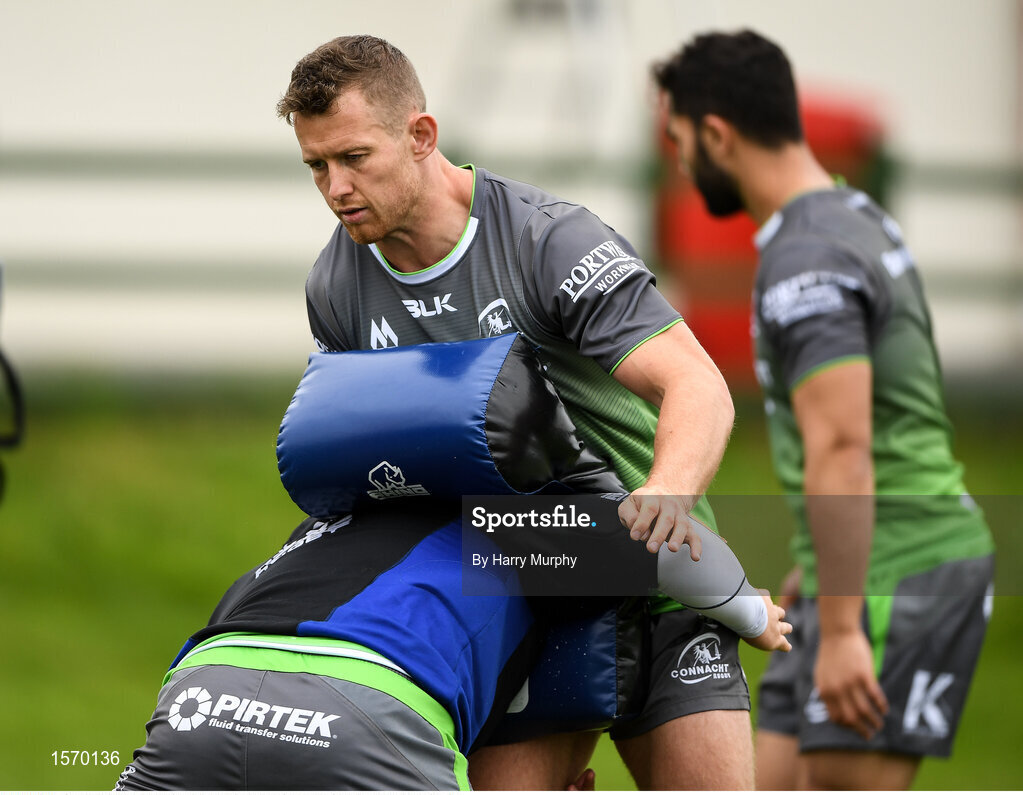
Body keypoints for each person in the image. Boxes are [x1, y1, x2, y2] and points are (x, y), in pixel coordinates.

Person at [275, 34, 752, 790]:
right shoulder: (337, 282)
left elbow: (697, 386)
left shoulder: (545, 240)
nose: (335, 188)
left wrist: (666, 493)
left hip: (653, 577)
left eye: (354, 158)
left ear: (421, 136)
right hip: (521, 592)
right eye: (316, 166)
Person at [652, 29, 996, 790]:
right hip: (855, 570)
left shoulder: (806, 260)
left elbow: (842, 443)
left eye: (679, 141)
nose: (678, 162)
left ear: (716, 133)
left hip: (900, 571)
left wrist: (842, 629)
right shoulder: (851, 214)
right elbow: (896, 408)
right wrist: (819, 569)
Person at [115, 500, 791, 790]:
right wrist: (749, 611)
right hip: (365, 712)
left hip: (201, 693)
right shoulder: (503, 510)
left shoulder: (321, 521)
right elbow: (671, 541)